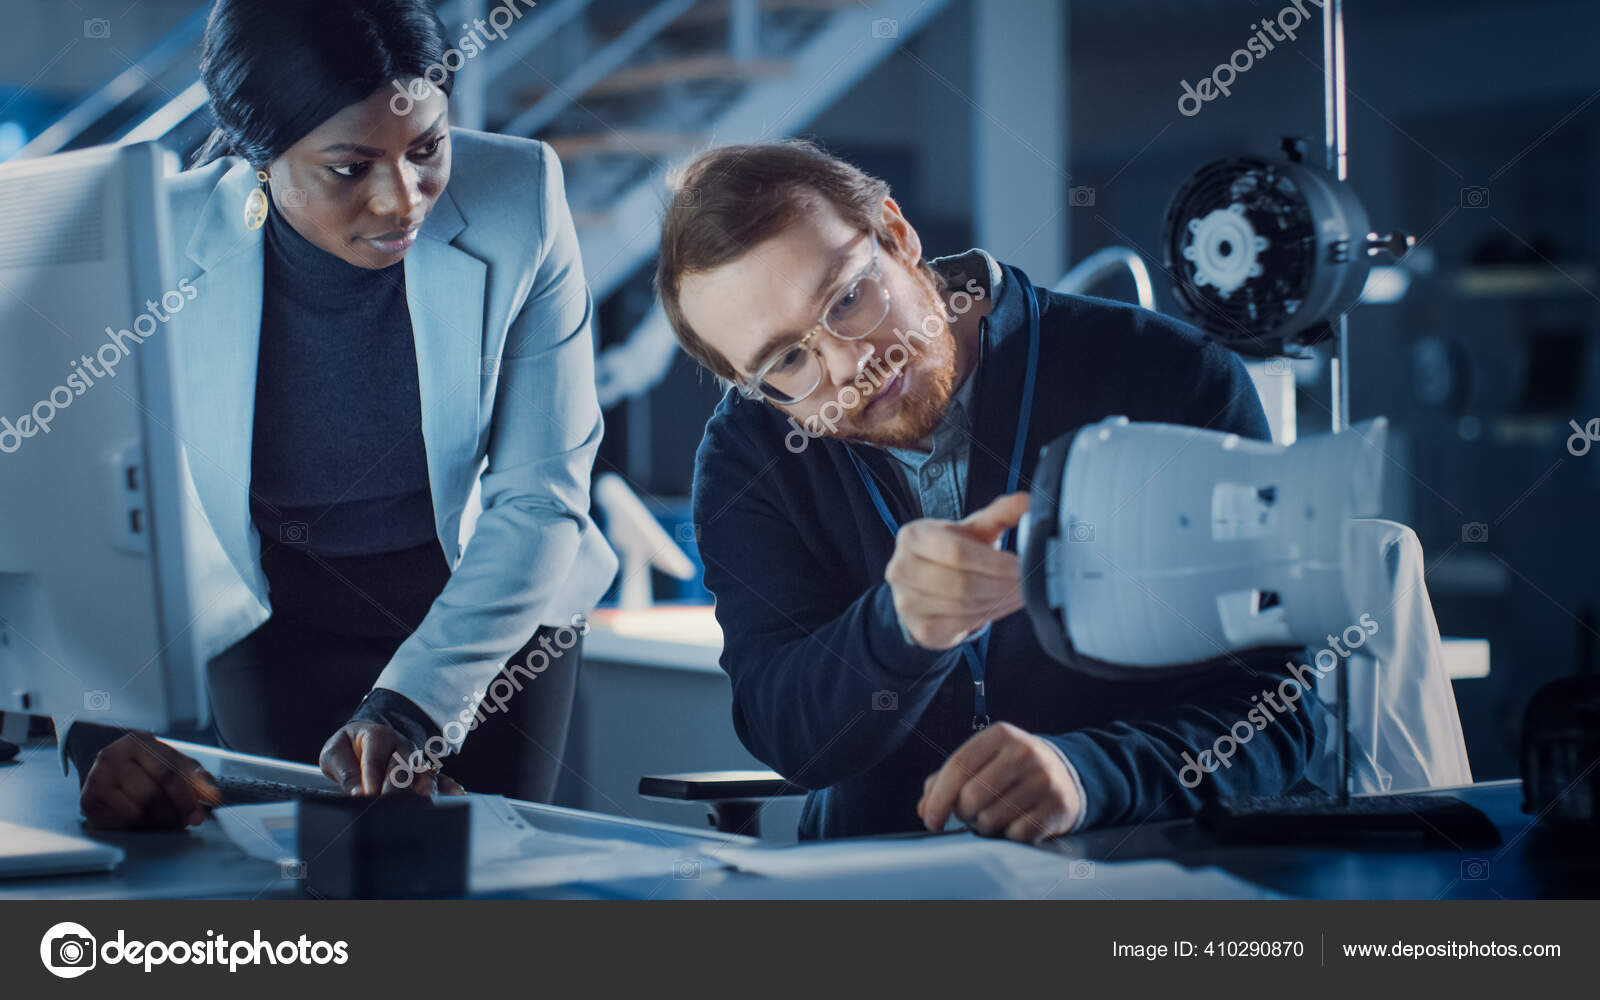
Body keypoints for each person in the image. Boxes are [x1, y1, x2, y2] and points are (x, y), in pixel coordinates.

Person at [655, 141, 1325, 842]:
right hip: (885, 895)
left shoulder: (1175, 377)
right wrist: (901, 630)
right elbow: (790, 736)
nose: (854, 362)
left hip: (1135, 873)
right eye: (790, 359)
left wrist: (1090, 776)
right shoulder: (749, 454)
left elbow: (1280, 713)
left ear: (897, 233)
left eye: (850, 297)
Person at [66, 0, 616, 829]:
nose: (403, 200)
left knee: (487, 897)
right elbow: (86, 510)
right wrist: (95, 725)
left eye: (427, 149)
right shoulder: (157, 243)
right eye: (351, 169)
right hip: (274, 627)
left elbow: (542, 495)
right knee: (297, 900)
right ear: (259, 155)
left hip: (491, 616)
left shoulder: (520, 197)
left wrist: (412, 705)